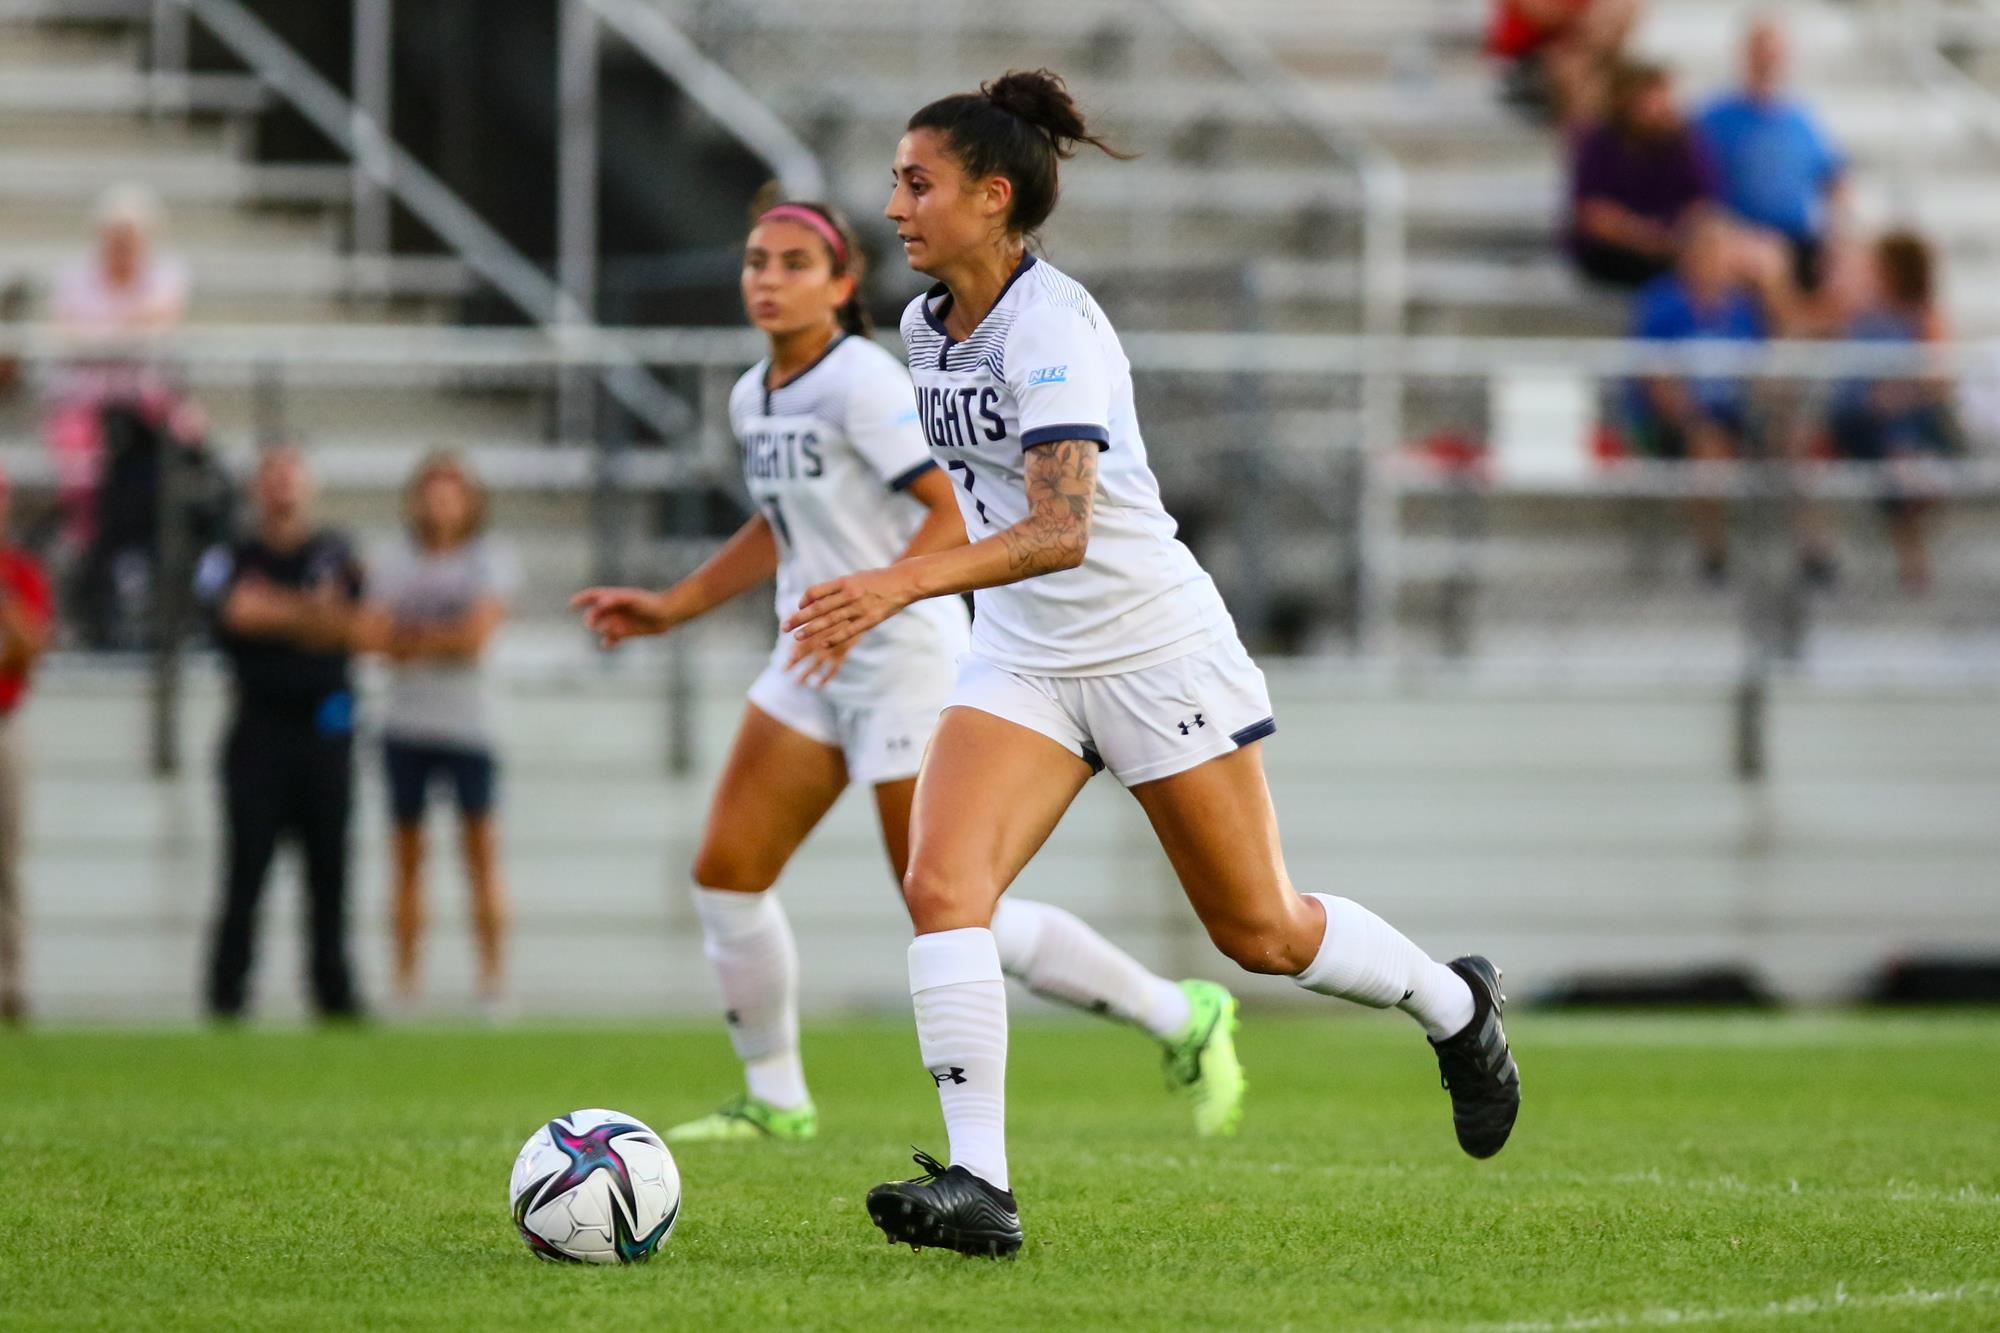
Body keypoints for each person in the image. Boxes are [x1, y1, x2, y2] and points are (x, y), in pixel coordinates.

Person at [783, 70, 1520, 1258]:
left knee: (1261, 934)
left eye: (917, 184)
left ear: (992, 195)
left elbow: (1060, 528)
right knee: (942, 886)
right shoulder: (923, 325)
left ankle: (1454, 1004)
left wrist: (898, 582)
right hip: (1022, 657)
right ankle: (981, 1183)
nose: (898, 205)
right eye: (895, 183)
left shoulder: (1053, 324)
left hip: (1147, 647)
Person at [575, 196, 1246, 1145]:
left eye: (795, 262)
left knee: (951, 907)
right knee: (727, 874)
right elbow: (788, 519)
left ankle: (1178, 1014)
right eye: (757, 260)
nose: (767, 278)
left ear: (843, 284)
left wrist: (886, 594)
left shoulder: (863, 381)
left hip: (899, 659)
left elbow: (943, 502)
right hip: (812, 656)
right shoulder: (752, 391)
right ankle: (775, 1095)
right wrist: (674, 604)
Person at [196, 445, 364, 1022]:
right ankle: (227, 993)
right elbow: (235, 614)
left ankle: (333, 992)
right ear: (255, 488)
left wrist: (277, 611)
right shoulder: (231, 554)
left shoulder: (337, 550)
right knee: (245, 869)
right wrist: (309, 613)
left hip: (324, 733)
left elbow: (354, 623)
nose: (282, 487)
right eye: (271, 475)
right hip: (257, 731)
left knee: (330, 872)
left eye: (291, 473)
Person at [356, 452, 516, 1014]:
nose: (439, 504)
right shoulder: (393, 559)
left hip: (471, 728)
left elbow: (476, 636)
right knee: (406, 858)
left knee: (479, 855)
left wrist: (413, 639)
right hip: (406, 725)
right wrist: (437, 639)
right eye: (431, 491)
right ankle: (405, 985)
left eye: (450, 492)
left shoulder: (488, 560)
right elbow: (373, 636)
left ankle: (493, 985)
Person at [46, 186, 189, 555]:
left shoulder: (168, 274)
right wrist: (129, 327)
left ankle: (153, 544)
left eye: (132, 236)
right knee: (82, 461)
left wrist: (104, 330)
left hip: (146, 398)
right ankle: (91, 543)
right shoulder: (73, 277)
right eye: (116, 235)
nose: (124, 245)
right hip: (86, 398)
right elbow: (72, 334)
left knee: (186, 440)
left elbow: (160, 322)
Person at [1826, 231, 1958, 594]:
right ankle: (1818, 557)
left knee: (1901, 444)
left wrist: (1896, 395)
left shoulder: (1922, 316)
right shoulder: (1859, 312)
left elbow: (1938, 379)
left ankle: (1913, 554)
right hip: (1857, 420)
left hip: (1908, 418)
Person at [1695, 15, 1847, 292]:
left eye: (1773, 52)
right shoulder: (1715, 118)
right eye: (1761, 51)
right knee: (1767, 263)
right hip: (1738, 236)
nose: (1767, 60)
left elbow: (1834, 178)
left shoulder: (1801, 119)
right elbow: (1696, 187)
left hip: (1797, 237)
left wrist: (1838, 235)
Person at [1568, 62, 1716, 290]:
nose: (1657, 106)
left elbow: (1702, 201)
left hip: (1674, 246)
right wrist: (1647, 238)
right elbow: (1592, 214)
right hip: (1614, 253)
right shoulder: (1598, 143)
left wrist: (1676, 236)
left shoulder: (1683, 140)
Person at [0, 468, 51, 1026]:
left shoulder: (18, 576)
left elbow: (29, 648)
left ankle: (10, 985)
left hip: (4, 720)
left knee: (6, 862)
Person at [1487, 0, 1641, 126]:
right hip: (1525, 59)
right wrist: (1588, 20)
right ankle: (1589, 143)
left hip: (1586, 51)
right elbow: (1539, 13)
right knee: (1576, 69)